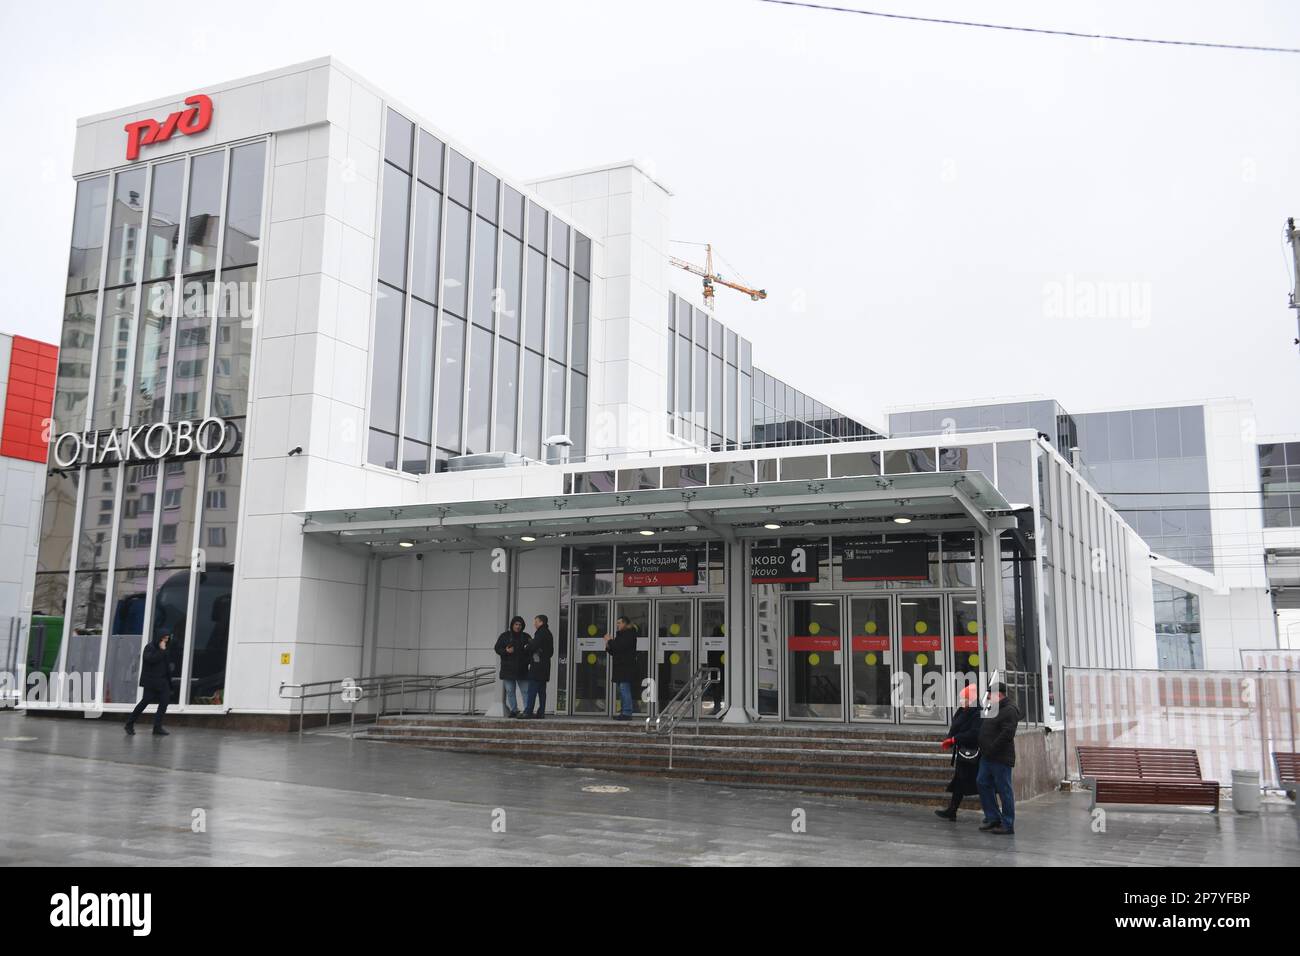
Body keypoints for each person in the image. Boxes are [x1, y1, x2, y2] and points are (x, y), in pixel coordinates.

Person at [976, 681, 1022, 835]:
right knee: (982, 783)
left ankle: (1007, 824)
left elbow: (1007, 734)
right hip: (987, 756)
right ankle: (993, 818)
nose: (988, 696)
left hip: (1000, 757)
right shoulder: (994, 708)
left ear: (999, 694)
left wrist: (991, 748)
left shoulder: (1010, 710)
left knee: (1004, 790)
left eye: (990, 693)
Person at [934, 683, 983, 820]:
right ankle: (952, 810)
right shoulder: (963, 710)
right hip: (963, 752)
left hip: (973, 753)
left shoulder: (978, 713)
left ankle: (993, 814)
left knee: (982, 784)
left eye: (964, 698)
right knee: (960, 781)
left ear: (971, 699)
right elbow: (956, 725)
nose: (961, 701)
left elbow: (974, 733)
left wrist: (955, 739)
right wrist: (950, 739)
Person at [125, 630, 174, 736]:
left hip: (163, 681)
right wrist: (161, 651)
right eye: (164, 638)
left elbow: (166, 664)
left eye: (167, 638)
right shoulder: (150, 647)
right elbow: (150, 659)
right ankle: (129, 724)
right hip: (151, 682)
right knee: (145, 702)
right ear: (159, 638)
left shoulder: (165, 648)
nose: (166, 640)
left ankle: (157, 727)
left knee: (164, 703)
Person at [604, 615, 639, 720]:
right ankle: (624, 711)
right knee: (622, 689)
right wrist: (608, 646)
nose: (617, 625)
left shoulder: (629, 634)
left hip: (626, 667)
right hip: (621, 667)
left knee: (624, 689)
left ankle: (627, 712)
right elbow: (616, 650)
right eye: (617, 623)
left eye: (619, 623)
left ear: (625, 624)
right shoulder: (622, 634)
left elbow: (620, 646)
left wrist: (610, 641)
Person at [494, 617, 529, 718]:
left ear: (522, 626)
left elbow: (531, 650)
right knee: (510, 691)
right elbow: (497, 648)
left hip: (522, 669)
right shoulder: (504, 636)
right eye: (516, 624)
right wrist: (506, 651)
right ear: (512, 625)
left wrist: (526, 661)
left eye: (520, 625)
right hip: (508, 669)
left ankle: (527, 710)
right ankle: (514, 710)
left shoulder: (526, 637)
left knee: (525, 691)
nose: (518, 626)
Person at [522, 614, 554, 718]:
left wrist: (527, 646)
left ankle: (528, 712)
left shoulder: (540, 633)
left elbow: (533, 646)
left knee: (532, 690)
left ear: (541, 622)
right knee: (542, 692)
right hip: (545, 667)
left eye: (536, 621)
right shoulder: (549, 633)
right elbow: (551, 652)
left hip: (537, 667)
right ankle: (541, 712)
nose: (534, 623)